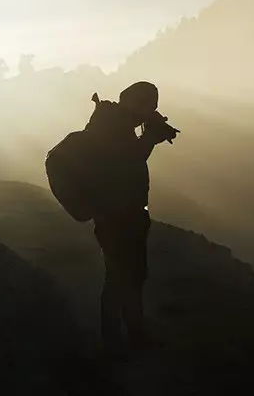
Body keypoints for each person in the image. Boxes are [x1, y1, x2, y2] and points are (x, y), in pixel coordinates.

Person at [86, 81, 176, 356]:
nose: (151, 111)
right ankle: (117, 342)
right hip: (116, 214)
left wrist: (148, 135)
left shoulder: (115, 122)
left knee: (132, 275)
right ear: (130, 101)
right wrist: (150, 138)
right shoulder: (110, 125)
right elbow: (125, 164)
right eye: (148, 106)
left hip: (127, 212)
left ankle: (131, 335)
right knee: (120, 277)